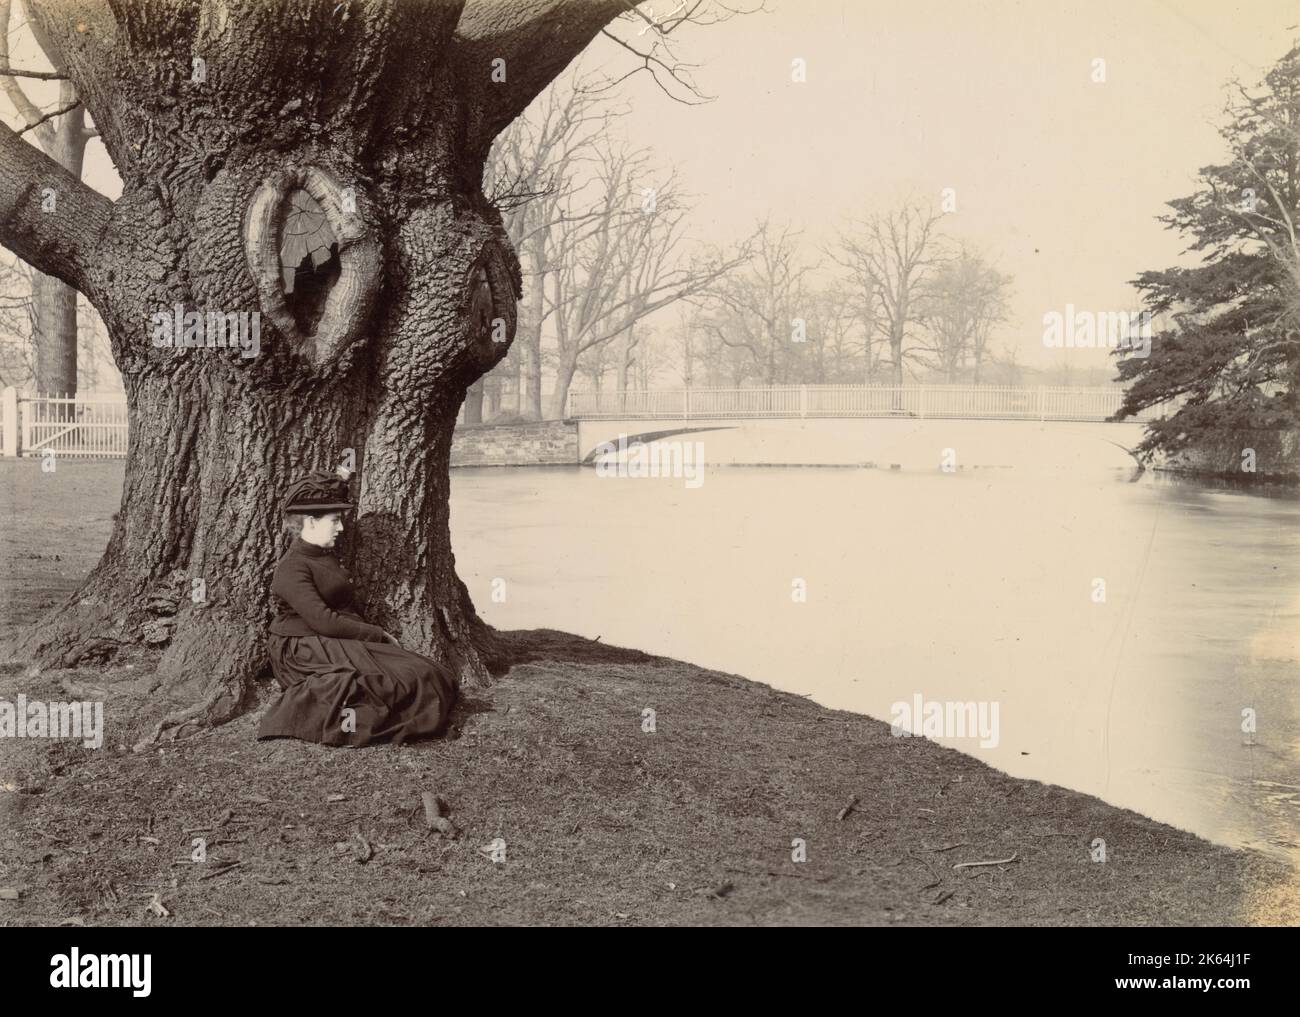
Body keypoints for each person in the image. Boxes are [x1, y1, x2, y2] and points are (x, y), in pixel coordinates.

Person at [256, 467, 458, 746]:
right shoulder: (292, 567)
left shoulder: (323, 555)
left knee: (427, 671)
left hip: (328, 638)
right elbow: (324, 620)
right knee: (391, 681)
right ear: (310, 522)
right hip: (303, 646)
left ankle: (420, 717)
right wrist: (376, 634)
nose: (341, 528)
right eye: (335, 521)